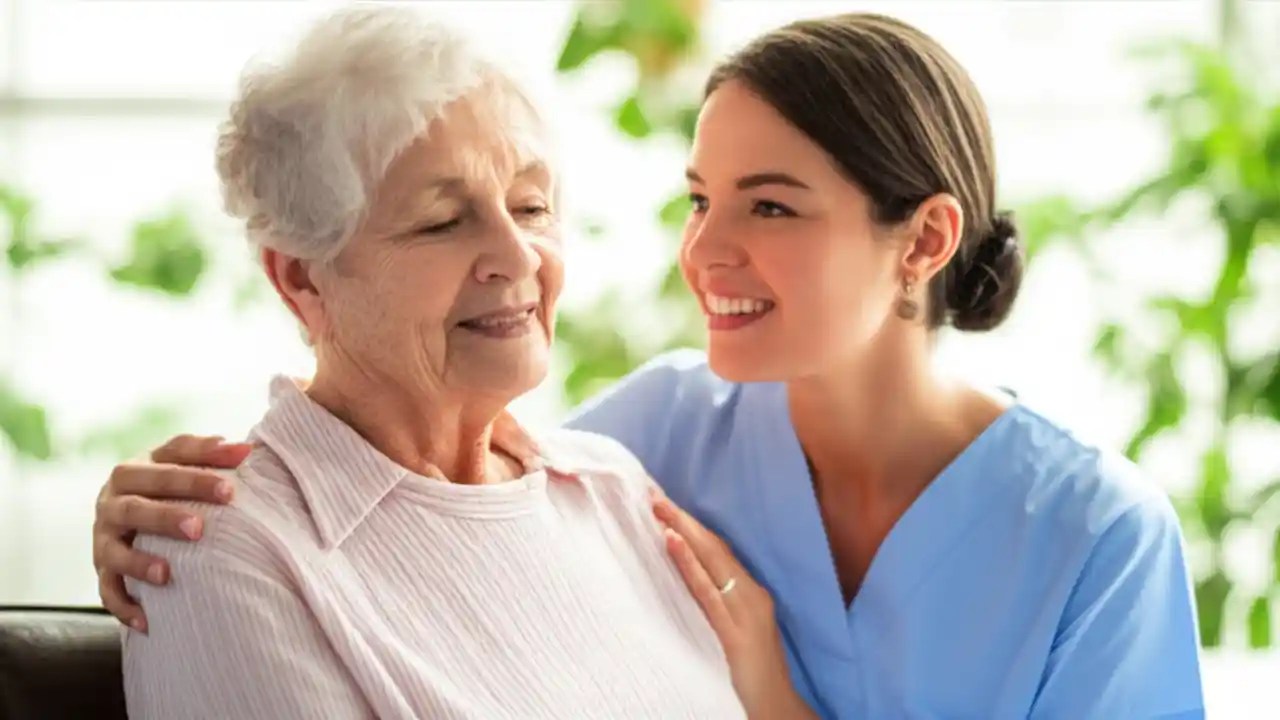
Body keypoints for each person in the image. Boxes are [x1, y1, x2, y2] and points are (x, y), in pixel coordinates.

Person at [93, 11, 1206, 720]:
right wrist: (153, 510)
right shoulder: (652, 443)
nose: (704, 250)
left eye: (768, 205)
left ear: (919, 241)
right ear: (299, 280)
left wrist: (773, 703)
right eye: (698, 200)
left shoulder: (1091, 537)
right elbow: (414, 474)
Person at [109, 7, 762, 719]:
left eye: (531, 205)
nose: (517, 256)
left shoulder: (612, 489)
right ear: (301, 280)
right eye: (442, 222)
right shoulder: (223, 549)